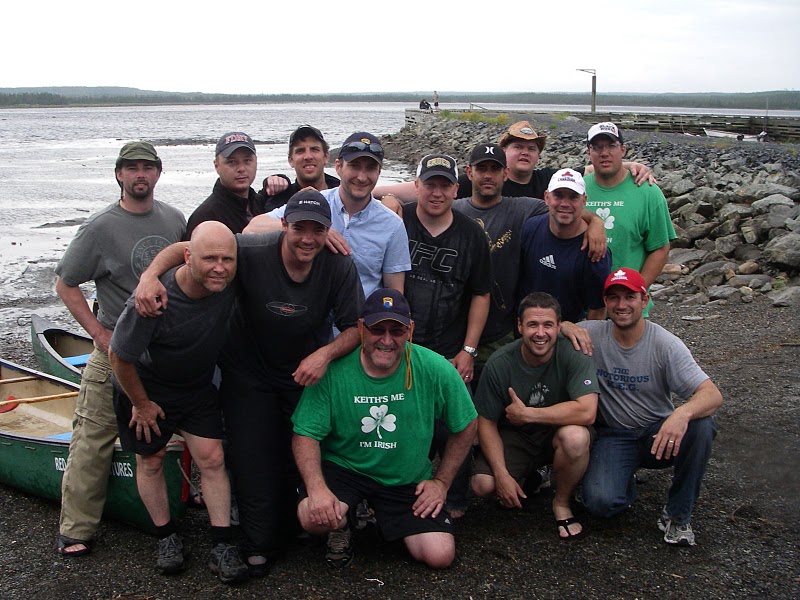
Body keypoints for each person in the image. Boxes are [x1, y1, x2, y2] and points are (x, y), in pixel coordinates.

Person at [134, 188, 364, 575]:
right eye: (299, 228)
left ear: (328, 231)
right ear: (284, 226)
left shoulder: (337, 265)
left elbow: (355, 328)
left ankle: (299, 528)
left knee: (301, 454)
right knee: (252, 458)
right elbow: (187, 249)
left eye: (317, 230)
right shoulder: (254, 249)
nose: (307, 238)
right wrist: (149, 275)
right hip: (248, 372)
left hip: (301, 372)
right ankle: (260, 542)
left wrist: (324, 354)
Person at [53, 142, 186, 557]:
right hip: (114, 349)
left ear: (158, 174)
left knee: (182, 426)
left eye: (147, 168)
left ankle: (184, 496)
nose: (140, 175)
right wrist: (97, 333)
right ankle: (76, 529)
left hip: (164, 351)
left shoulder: (174, 218)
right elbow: (65, 283)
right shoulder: (99, 228)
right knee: (93, 437)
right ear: (119, 175)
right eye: (132, 169)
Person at [291, 288, 477, 569]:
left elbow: (467, 423)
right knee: (312, 517)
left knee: (439, 555)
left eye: (397, 331)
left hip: (404, 476)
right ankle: (343, 523)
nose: (387, 340)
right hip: (346, 469)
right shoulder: (333, 371)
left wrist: (441, 483)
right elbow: (305, 433)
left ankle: (387, 518)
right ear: (361, 329)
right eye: (378, 330)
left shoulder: (434, 367)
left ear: (410, 330)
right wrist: (316, 489)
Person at [108, 222, 247, 583]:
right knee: (151, 459)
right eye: (210, 258)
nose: (219, 267)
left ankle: (221, 543)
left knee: (213, 458)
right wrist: (140, 404)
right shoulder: (154, 300)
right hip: (145, 387)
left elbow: (274, 233)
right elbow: (119, 357)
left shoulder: (227, 278)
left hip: (195, 386)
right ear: (189, 257)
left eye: (226, 259)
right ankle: (166, 536)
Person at [576, 268, 723, 546]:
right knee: (601, 505)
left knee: (702, 426)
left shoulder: (665, 344)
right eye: (614, 298)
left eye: (629, 297)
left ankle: (678, 514)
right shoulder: (590, 333)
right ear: (605, 303)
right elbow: (547, 327)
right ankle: (623, 479)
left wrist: (681, 413)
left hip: (659, 435)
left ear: (645, 300)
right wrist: (565, 326)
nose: (621, 305)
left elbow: (712, 395)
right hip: (615, 435)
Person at [452, 144, 607, 378]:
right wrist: (391, 198)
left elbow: (563, 210)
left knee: (501, 392)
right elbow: (424, 199)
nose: (487, 175)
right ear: (469, 172)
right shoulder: (453, 208)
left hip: (504, 331)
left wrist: (596, 222)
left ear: (505, 173)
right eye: (481, 168)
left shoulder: (524, 210)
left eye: (494, 169)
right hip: (454, 328)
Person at [470, 293, 599, 541]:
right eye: (532, 325)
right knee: (482, 485)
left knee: (575, 437)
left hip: (557, 432)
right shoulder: (500, 363)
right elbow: (485, 422)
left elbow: (587, 411)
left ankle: (561, 502)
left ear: (559, 327)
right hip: (517, 437)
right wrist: (501, 475)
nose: (540, 333)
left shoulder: (573, 351)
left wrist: (528, 414)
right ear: (519, 326)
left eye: (548, 325)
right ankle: (526, 478)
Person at [245, 131, 410, 298]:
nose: (361, 177)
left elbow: (394, 294)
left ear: (379, 172)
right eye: (354, 166)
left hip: (361, 319)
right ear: (338, 166)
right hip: (310, 318)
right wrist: (316, 230)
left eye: (370, 168)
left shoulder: (393, 225)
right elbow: (251, 230)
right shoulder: (313, 202)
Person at [373, 120, 654, 203]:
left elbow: (594, 167)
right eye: (517, 146)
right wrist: (375, 192)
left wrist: (632, 166)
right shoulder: (484, 181)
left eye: (532, 148)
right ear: (503, 152)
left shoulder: (549, 181)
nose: (525, 152)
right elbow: (420, 188)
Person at [402, 153, 491, 382]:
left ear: (456, 189)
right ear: (416, 186)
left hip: (449, 353)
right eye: (430, 184)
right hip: (398, 346)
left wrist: (468, 350)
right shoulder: (398, 220)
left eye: (445, 185)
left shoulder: (473, 235)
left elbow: (481, 294)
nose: (437, 193)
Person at [582, 122, 677, 316]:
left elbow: (660, 248)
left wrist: (636, 291)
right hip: (582, 308)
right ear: (588, 153)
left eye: (611, 146)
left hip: (628, 310)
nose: (604, 153)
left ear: (623, 150)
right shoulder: (578, 190)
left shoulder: (648, 192)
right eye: (597, 147)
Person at [519, 168, 612, 322]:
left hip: (569, 333)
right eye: (558, 195)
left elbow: (598, 310)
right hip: (525, 327)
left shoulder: (595, 252)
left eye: (573, 197)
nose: (565, 203)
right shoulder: (530, 228)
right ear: (546, 197)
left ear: (584, 200)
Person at [186, 132, 263, 237]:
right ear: (217, 166)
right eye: (232, 162)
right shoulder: (205, 217)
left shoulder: (263, 204)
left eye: (247, 161)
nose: (241, 169)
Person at [255, 125, 341, 213]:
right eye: (300, 151)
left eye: (314, 149)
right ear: (290, 160)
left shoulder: (342, 195)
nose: (308, 157)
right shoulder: (278, 200)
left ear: (326, 156)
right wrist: (267, 189)